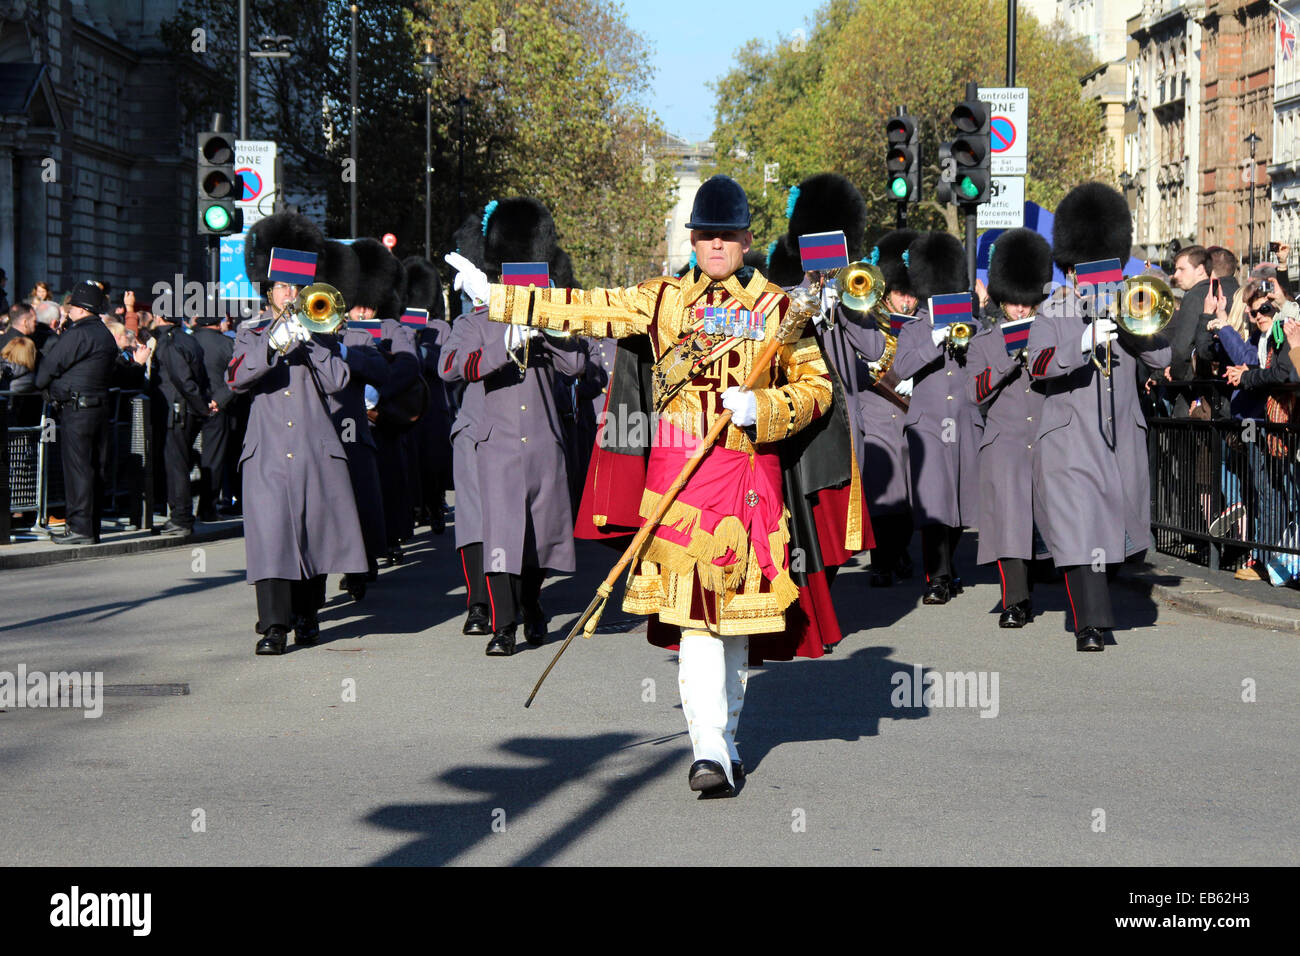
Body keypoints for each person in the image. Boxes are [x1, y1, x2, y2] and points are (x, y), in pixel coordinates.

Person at [449, 176, 852, 797]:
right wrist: (502, 300)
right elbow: (583, 308)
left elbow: (819, 390)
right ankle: (709, 750)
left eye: (727, 236)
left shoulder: (778, 305)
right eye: (706, 236)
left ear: (746, 239)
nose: (716, 246)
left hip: (747, 478)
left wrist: (766, 407)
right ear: (692, 240)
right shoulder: (659, 299)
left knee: (737, 625)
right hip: (679, 484)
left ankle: (728, 740)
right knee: (694, 623)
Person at [441, 197, 590, 656]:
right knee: (502, 535)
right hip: (498, 445)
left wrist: (552, 330)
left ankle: (532, 602)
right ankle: (503, 627)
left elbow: (577, 365)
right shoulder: (476, 322)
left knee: (538, 540)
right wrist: (503, 346)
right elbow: (449, 367)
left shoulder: (550, 319)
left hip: (543, 442)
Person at [1027, 182, 1172, 652]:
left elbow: (1164, 356)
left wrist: (1134, 328)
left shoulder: (1130, 304)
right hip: (1070, 442)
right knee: (1080, 531)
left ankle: (1096, 602)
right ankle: (1089, 624)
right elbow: (1038, 365)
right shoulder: (1053, 309)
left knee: (1112, 540)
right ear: (1069, 270)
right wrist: (1083, 341)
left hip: (1118, 441)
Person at [230, 212, 368, 654]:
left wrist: (309, 340)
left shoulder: (324, 332)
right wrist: (274, 344)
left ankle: (308, 615)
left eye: (297, 288)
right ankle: (274, 626)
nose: (291, 295)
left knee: (313, 534)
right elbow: (236, 378)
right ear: (268, 292)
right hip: (267, 451)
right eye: (283, 288)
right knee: (270, 537)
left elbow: (338, 382)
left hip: (314, 449)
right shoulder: (248, 333)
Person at [890, 231, 984, 605]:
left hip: (964, 422)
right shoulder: (913, 329)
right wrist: (935, 338)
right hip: (928, 423)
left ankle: (949, 567)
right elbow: (902, 367)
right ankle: (938, 577)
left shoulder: (974, 325)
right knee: (933, 503)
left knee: (959, 503)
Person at [966, 228, 1053, 627]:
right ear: (1003, 301)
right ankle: (1015, 601)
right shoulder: (984, 341)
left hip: (1047, 436)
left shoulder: (1051, 333)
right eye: (1014, 304)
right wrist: (1008, 361)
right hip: (1004, 440)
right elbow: (975, 393)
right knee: (1009, 522)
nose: (1020, 310)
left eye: (1027, 303)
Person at [33, 280, 120, 545]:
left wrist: (48, 385)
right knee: (95, 467)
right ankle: (91, 526)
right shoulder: (104, 333)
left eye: (72, 307)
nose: (68, 311)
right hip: (99, 409)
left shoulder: (77, 334)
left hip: (77, 410)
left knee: (78, 469)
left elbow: (49, 368)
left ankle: (80, 528)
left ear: (81, 309)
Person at [152, 306, 212, 536]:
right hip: (186, 412)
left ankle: (181, 518)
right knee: (180, 464)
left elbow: (183, 380)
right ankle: (180, 516)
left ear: (159, 318)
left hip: (177, 412)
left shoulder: (169, 344)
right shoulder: (188, 340)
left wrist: (201, 407)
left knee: (176, 465)